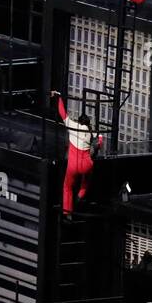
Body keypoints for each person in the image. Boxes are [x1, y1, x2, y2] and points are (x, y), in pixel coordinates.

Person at [51, 91, 102, 219]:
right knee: (87, 179)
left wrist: (58, 98)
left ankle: (67, 213)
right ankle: (81, 194)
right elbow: (99, 142)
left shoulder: (73, 126)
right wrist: (99, 138)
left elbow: (63, 113)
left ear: (79, 122)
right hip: (86, 164)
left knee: (67, 187)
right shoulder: (91, 132)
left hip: (73, 165)